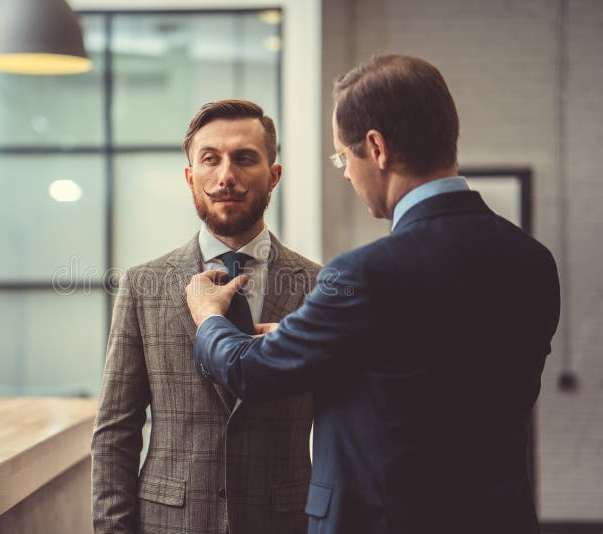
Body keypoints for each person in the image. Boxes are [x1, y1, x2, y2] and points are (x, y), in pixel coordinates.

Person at [186, 55, 561, 534]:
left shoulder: (364, 275)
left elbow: (248, 371)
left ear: (377, 148)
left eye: (344, 157)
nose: (345, 173)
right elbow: (432, 365)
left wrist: (208, 318)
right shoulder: (532, 261)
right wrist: (318, 337)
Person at [91, 99, 321, 534]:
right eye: (210, 159)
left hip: (286, 521)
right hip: (170, 522)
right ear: (189, 176)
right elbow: (115, 433)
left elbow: (340, 424)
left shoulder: (318, 285)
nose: (225, 176)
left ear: (274, 175)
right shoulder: (144, 285)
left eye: (244, 158)